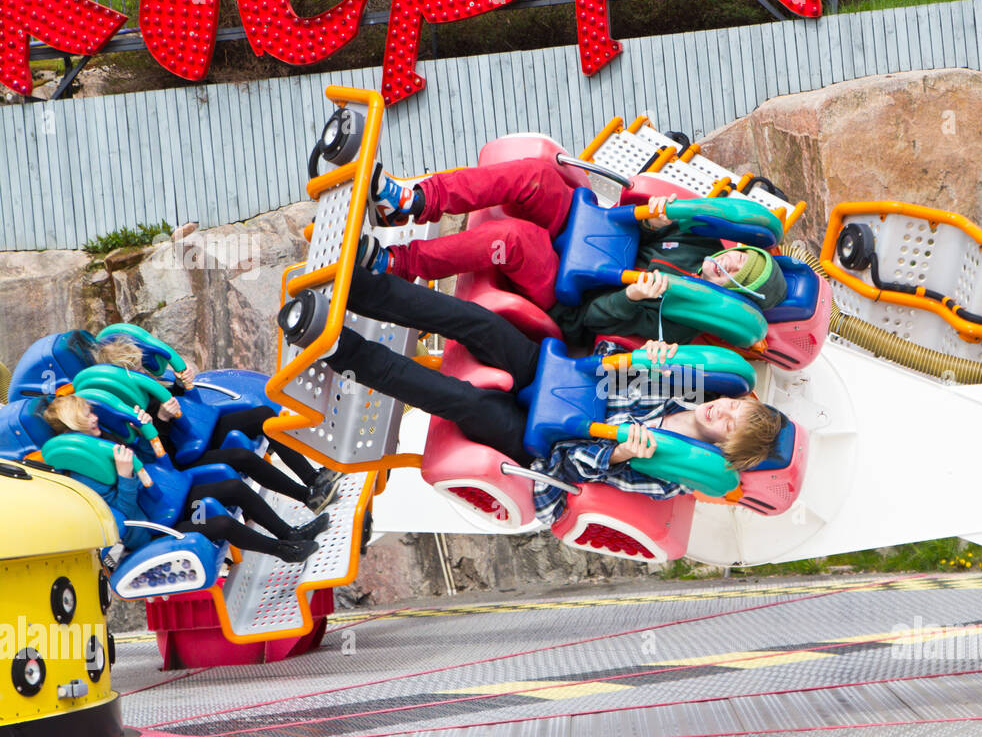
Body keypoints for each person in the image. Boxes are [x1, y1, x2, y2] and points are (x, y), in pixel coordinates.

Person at [312, 258, 786, 526]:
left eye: (728, 425)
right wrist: (640, 359)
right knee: (482, 323)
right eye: (734, 408)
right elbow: (600, 358)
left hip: (542, 439)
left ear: (723, 449)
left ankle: (341, 349)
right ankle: (365, 290)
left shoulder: (667, 476)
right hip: (560, 379)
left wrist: (617, 455)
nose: (722, 409)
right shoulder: (681, 391)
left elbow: (566, 470)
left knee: (466, 401)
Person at [367, 158, 786, 346]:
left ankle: (400, 263)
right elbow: (636, 221)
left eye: (739, 272)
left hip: (572, 296)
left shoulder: (681, 321)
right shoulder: (705, 242)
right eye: (743, 256)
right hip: (591, 232)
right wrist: (649, 221)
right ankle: (414, 201)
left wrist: (632, 298)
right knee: (536, 176)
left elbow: (592, 320)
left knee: (516, 239)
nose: (732, 261)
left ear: (735, 292)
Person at [42, 394, 326, 564]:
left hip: (168, 496)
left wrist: (148, 429)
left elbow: (153, 458)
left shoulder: (104, 436)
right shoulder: (80, 473)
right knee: (219, 522)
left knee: (232, 487)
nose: (93, 419)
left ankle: (292, 531)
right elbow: (123, 516)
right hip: (156, 524)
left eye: (90, 413)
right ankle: (283, 550)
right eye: (85, 418)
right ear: (71, 430)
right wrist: (125, 477)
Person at [93, 334, 343, 513]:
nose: (144, 373)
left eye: (141, 367)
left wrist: (182, 384)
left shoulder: (150, 384)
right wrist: (162, 419)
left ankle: (312, 478)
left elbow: (183, 402)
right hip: (181, 457)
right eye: (136, 370)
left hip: (197, 432)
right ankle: (308, 497)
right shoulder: (125, 411)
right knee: (241, 457)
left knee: (264, 415)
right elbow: (160, 455)